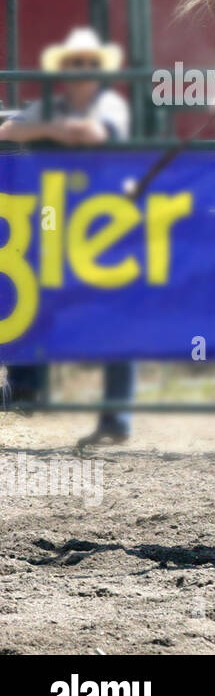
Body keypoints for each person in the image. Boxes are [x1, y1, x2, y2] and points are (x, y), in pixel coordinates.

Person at [0, 28, 136, 446]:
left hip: (100, 226)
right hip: (57, 220)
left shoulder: (110, 105)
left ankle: (116, 415)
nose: (80, 71)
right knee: (32, 296)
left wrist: (42, 129)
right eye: (74, 64)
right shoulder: (54, 106)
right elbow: (7, 131)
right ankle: (27, 387)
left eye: (87, 65)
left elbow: (93, 135)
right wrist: (47, 128)